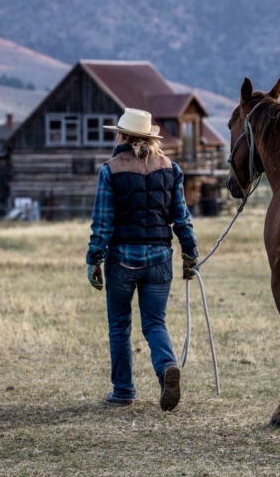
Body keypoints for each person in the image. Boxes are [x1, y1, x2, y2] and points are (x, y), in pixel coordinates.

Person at [85, 108, 199, 411]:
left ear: (122, 136)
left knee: (119, 326)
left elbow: (103, 222)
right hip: (160, 259)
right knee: (154, 323)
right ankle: (166, 367)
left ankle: (123, 391)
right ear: (150, 137)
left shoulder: (110, 170)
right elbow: (181, 218)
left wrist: (94, 258)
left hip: (121, 259)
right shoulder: (171, 169)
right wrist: (190, 253)